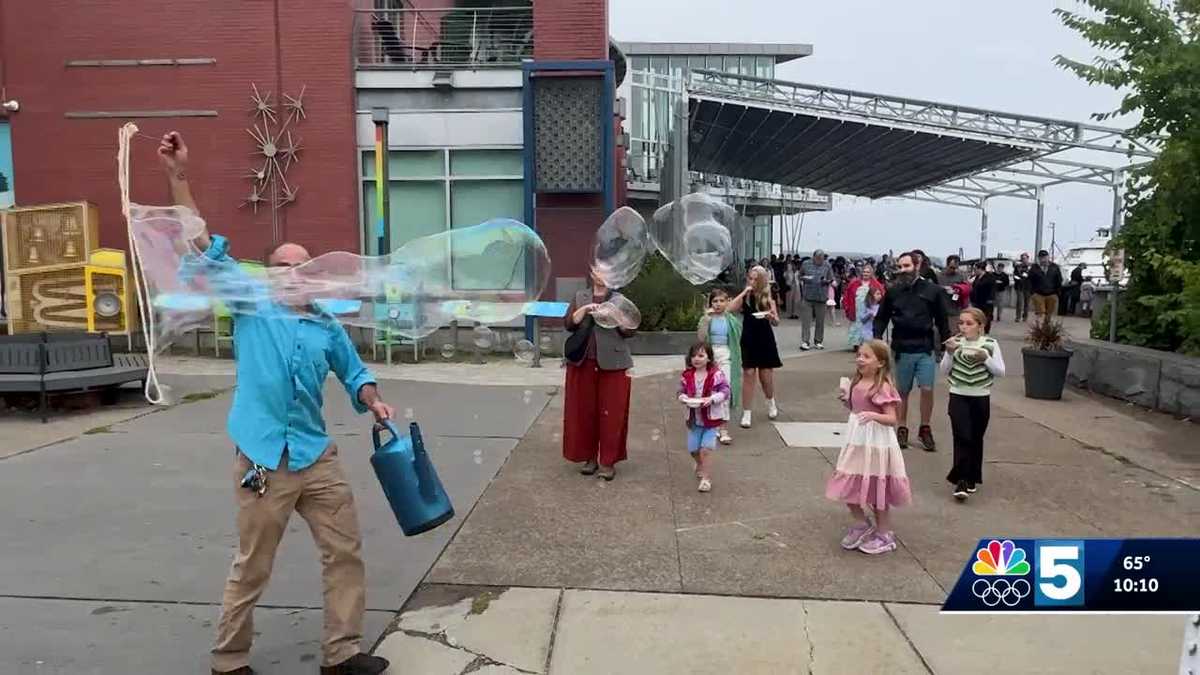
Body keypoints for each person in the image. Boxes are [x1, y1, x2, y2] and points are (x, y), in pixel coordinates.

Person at [157, 132, 394, 675]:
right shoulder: (251, 306)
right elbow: (199, 244)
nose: (297, 273)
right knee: (253, 565)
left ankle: (342, 655)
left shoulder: (326, 324)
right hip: (263, 457)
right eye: (286, 266)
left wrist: (371, 398)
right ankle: (229, 659)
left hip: (317, 456)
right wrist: (178, 175)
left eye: (305, 265)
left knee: (345, 554)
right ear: (267, 276)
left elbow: (354, 371)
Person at [825, 339, 912, 555]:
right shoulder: (856, 383)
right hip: (857, 441)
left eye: (866, 356)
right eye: (859, 355)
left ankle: (884, 533)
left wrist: (873, 415)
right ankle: (861, 523)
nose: (860, 359)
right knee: (846, 482)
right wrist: (846, 399)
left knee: (877, 487)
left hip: (877, 443)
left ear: (880, 363)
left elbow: (892, 418)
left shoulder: (882, 387)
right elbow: (855, 408)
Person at [562, 268, 636, 481]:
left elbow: (630, 331)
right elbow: (569, 324)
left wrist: (616, 316)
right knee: (585, 412)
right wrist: (584, 309)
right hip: (583, 362)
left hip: (614, 362)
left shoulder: (619, 299)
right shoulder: (580, 296)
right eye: (596, 270)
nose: (600, 274)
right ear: (591, 273)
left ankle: (608, 461)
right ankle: (589, 458)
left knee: (612, 414)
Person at [874, 251, 951, 452]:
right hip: (902, 348)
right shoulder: (893, 292)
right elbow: (881, 317)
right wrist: (876, 338)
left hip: (925, 347)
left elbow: (942, 320)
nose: (902, 270)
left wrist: (946, 344)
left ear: (917, 266)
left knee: (927, 389)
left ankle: (925, 428)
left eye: (906, 266)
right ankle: (902, 427)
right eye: (899, 267)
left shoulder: (933, 290)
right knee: (902, 392)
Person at [941, 308, 1006, 501]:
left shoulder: (990, 344)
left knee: (976, 438)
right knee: (962, 436)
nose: (963, 327)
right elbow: (944, 370)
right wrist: (949, 353)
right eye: (961, 323)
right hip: (958, 394)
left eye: (969, 323)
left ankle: (971, 478)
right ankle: (960, 479)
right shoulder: (956, 343)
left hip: (980, 395)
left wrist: (985, 358)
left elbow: (1000, 371)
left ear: (980, 326)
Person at [726, 266, 782, 428]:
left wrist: (772, 316)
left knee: (765, 377)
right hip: (749, 336)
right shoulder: (746, 297)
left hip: (765, 337)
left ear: (762, 280)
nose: (752, 281)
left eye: (755, 279)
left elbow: (776, 321)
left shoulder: (768, 296)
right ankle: (747, 412)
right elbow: (729, 309)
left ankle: (770, 401)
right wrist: (744, 292)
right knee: (749, 373)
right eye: (750, 278)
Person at [677, 342, 732, 493]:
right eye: (694, 355)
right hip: (694, 419)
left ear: (709, 358)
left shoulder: (716, 374)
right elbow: (680, 390)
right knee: (693, 449)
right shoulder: (687, 375)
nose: (697, 359)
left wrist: (713, 398)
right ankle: (699, 463)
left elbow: (726, 390)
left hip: (711, 420)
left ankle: (706, 479)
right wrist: (682, 397)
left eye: (701, 355)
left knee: (706, 449)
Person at [697, 288, 743, 445]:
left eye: (721, 301)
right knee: (710, 391)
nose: (718, 304)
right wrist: (705, 319)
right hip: (710, 356)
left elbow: (738, 337)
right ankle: (712, 424)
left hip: (726, 356)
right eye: (715, 301)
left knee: (724, 391)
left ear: (727, 302)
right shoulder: (708, 319)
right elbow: (701, 338)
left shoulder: (731, 320)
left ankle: (723, 429)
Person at [798, 249, 835, 350]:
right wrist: (806, 278)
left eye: (822, 258)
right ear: (813, 257)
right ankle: (805, 341)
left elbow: (832, 278)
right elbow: (800, 276)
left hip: (821, 297)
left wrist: (827, 281)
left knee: (820, 321)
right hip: (808, 296)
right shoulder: (806, 264)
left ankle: (818, 341)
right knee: (806, 321)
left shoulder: (827, 265)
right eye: (818, 258)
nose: (820, 261)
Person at [1028, 249, 1064, 322]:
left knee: (1048, 315)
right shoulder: (1034, 267)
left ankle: (1046, 330)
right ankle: (1039, 330)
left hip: (1052, 294)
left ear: (1048, 257)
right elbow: (1029, 280)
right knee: (1041, 313)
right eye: (1041, 257)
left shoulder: (1055, 267)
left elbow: (1059, 280)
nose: (1043, 259)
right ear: (1039, 258)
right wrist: (1032, 292)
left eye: (1044, 257)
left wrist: (1057, 293)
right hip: (1038, 294)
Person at [848, 284, 883, 351]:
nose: (880, 296)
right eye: (877, 294)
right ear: (872, 295)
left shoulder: (880, 307)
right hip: (867, 332)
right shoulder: (866, 306)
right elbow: (862, 319)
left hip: (876, 332)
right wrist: (869, 314)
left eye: (880, 294)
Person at [968, 261, 998, 332]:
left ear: (980, 269)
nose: (974, 271)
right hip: (977, 301)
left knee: (986, 317)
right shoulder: (977, 277)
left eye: (975, 269)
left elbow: (993, 288)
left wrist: (991, 299)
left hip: (986, 301)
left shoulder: (990, 277)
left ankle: (986, 330)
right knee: (977, 316)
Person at [1012, 253, 1032, 322]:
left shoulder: (1031, 266)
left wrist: (1028, 276)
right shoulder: (1018, 267)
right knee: (1019, 302)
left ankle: (1025, 316)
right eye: (1022, 258)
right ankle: (1018, 317)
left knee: (1027, 302)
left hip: (1028, 287)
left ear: (1027, 258)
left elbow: (1034, 276)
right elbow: (1014, 275)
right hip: (1019, 286)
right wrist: (1019, 279)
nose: (1024, 260)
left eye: (1025, 258)